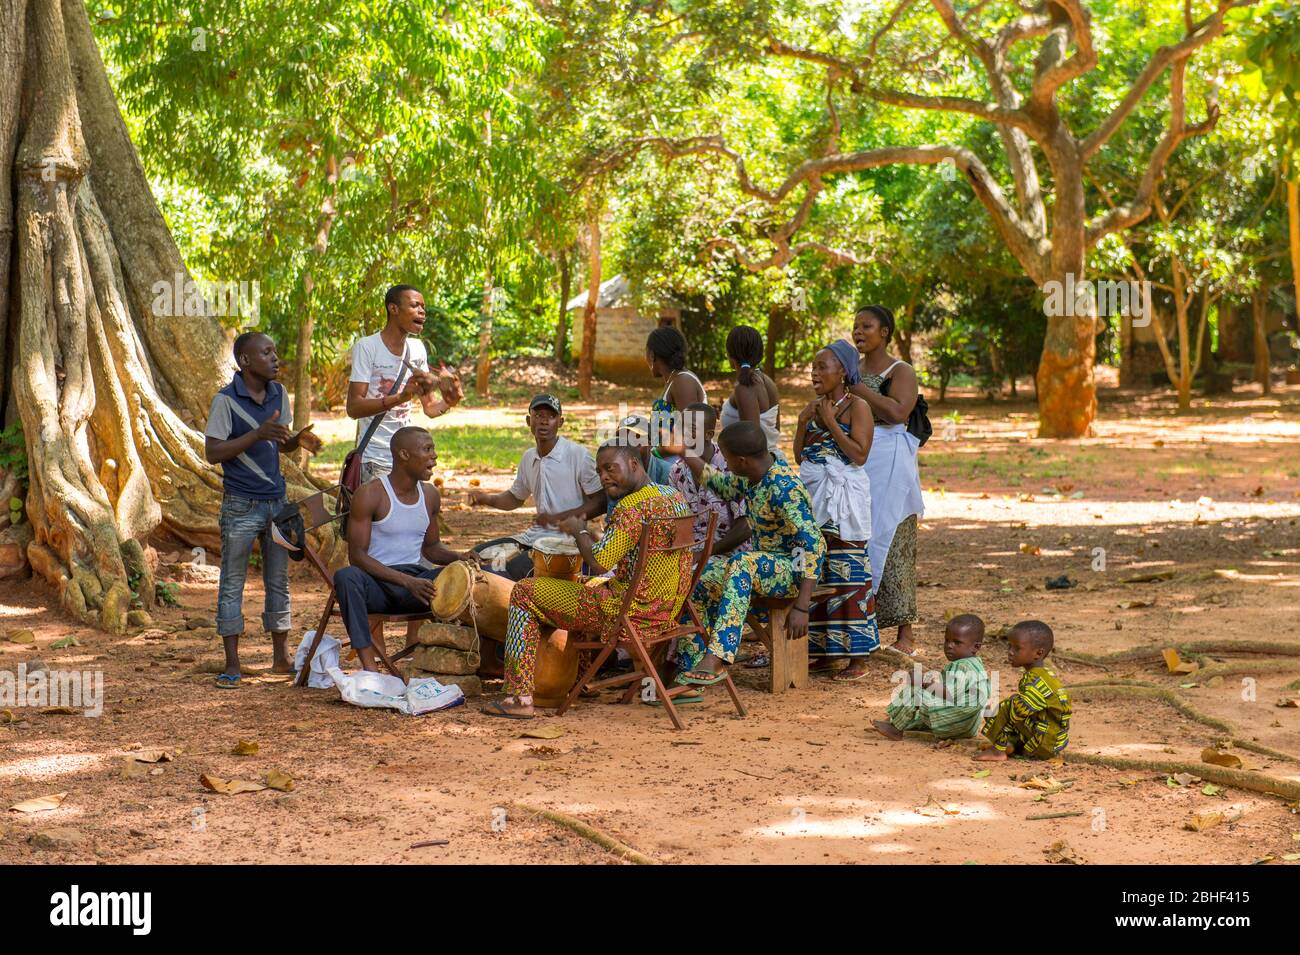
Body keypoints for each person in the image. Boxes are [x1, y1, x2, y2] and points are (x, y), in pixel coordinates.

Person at [480, 441, 693, 719]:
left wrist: (580, 529)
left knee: (524, 591)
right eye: (600, 471)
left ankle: (519, 698)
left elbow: (600, 561)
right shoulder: (674, 497)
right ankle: (580, 682)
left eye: (610, 468)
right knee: (582, 584)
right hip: (666, 610)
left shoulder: (631, 508)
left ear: (634, 464)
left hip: (629, 614)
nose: (604, 477)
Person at [666, 421, 826, 695]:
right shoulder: (753, 478)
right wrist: (684, 451)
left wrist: (802, 605)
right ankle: (691, 673)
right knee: (700, 575)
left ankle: (717, 658)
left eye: (726, 459)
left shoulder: (783, 487)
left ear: (740, 460)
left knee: (743, 562)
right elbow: (721, 484)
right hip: (762, 568)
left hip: (792, 572)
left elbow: (813, 544)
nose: (725, 464)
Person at [205, 332, 323, 688]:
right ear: (245, 361)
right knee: (232, 583)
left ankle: (280, 658)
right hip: (241, 504)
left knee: (278, 580)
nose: (275, 358)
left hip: (276, 502)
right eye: (266, 352)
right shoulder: (225, 401)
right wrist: (256, 434)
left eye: (274, 350)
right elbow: (213, 452)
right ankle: (233, 663)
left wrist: (295, 441)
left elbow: (278, 442)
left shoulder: (278, 394)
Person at [332, 427, 480, 673]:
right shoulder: (370, 494)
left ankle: (470, 660)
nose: (434, 457)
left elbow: (431, 548)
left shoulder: (430, 495)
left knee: (471, 575)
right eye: (427, 449)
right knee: (346, 577)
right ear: (403, 455)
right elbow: (357, 556)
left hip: (418, 586)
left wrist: (459, 557)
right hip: (379, 584)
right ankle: (370, 668)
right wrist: (406, 581)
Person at [794, 341, 879, 680]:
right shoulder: (813, 407)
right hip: (816, 496)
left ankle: (857, 658)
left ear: (842, 371)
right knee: (820, 571)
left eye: (822, 367)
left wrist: (829, 421)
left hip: (845, 500)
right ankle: (824, 652)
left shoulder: (858, 407)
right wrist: (803, 423)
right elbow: (801, 456)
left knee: (849, 570)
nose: (815, 373)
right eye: (812, 368)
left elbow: (859, 455)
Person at [849, 305, 925, 656]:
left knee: (895, 539)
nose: (859, 332)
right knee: (859, 537)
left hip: (891, 461)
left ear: (885, 333)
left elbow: (897, 412)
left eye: (867, 326)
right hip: (860, 459)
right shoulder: (853, 369)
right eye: (855, 327)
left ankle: (905, 634)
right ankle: (862, 624)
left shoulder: (901, 370)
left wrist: (858, 389)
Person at [467, 394, 606, 580]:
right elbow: (516, 497)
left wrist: (561, 518)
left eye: (551, 416)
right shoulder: (528, 457)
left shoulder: (578, 456)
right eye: (538, 415)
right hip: (532, 538)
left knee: (512, 569)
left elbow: (601, 501)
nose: (544, 421)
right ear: (528, 421)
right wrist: (486, 498)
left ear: (561, 422)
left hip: (567, 541)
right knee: (475, 557)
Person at [346, 284, 461, 483]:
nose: (422, 312)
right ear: (394, 309)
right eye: (415, 305)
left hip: (408, 460)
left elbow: (430, 408)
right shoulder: (367, 347)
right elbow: (353, 407)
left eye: (423, 307)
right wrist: (400, 398)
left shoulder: (417, 349)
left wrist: (450, 402)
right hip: (375, 459)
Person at [873, 614, 990, 740]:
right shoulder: (975, 665)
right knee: (923, 705)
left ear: (976, 647)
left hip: (955, 722)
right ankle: (894, 721)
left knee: (915, 693)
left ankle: (895, 728)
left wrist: (924, 682)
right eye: (947, 640)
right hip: (967, 726)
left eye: (957, 642)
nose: (949, 646)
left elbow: (949, 693)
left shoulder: (962, 666)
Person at [975, 620, 1072, 762]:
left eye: (1017, 648)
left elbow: (1017, 711)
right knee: (1005, 708)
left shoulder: (1036, 681)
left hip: (1045, 745)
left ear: (1038, 653)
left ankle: (998, 751)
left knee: (1007, 707)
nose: (1010, 652)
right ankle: (1010, 744)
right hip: (1053, 739)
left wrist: (994, 714)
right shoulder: (1044, 675)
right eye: (1009, 646)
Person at [667, 403, 750, 555]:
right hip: (690, 551)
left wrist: (704, 554)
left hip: (730, 554)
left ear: (708, 435)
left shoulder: (731, 467)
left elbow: (745, 527)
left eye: (690, 429)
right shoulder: (676, 471)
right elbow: (676, 520)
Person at [720, 325, 782, 452]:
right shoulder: (767, 381)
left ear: (730, 354)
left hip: (754, 468)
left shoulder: (744, 386)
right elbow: (776, 429)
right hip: (769, 459)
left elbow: (751, 443)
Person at [603, 414, 674, 516]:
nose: (629, 449)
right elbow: (613, 518)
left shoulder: (668, 473)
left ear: (650, 443)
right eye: (623, 443)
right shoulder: (614, 475)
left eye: (636, 442)